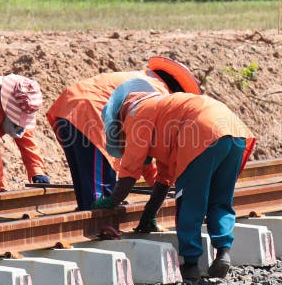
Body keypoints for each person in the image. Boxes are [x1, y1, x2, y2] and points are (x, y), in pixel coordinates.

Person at [94, 79, 255, 280]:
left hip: (200, 133)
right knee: (220, 199)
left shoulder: (136, 115)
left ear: (119, 117)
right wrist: (149, 214)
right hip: (234, 130)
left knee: (190, 200)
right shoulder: (163, 111)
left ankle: (191, 263)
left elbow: (129, 170)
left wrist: (112, 201)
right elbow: (164, 179)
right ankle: (223, 252)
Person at [45, 57, 201, 210]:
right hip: (90, 113)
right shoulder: (159, 94)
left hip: (66, 109)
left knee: (85, 180)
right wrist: (159, 185)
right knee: (101, 189)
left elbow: (139, 147)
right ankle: (102, 225)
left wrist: (156, 184)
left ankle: (91, 219)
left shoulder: (144, 78)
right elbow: (142, 143)